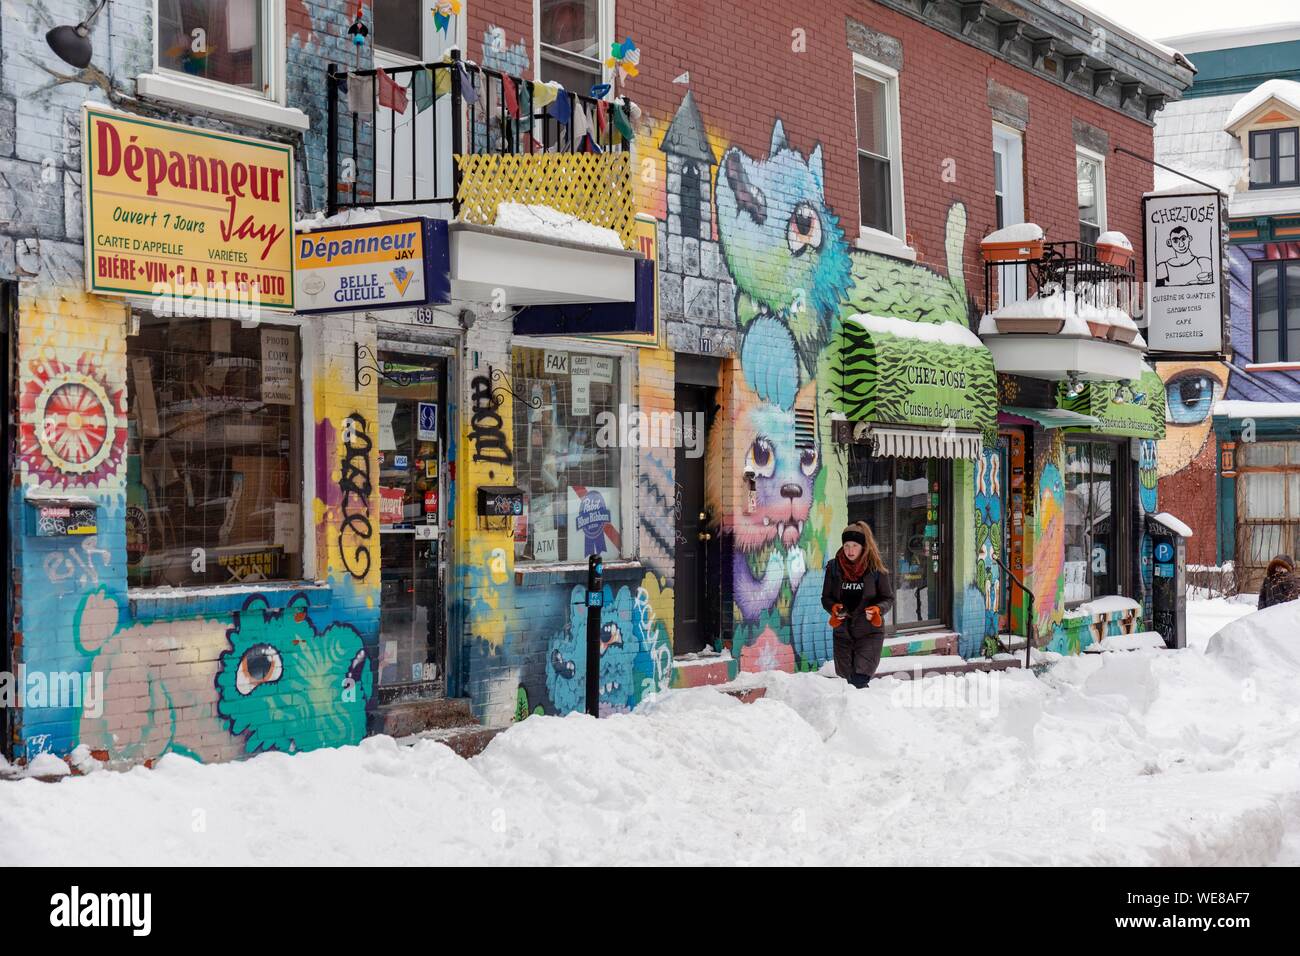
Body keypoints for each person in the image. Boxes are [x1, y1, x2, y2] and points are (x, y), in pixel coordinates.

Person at [821, 521, 894, 688]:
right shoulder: (834, 568)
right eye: (846, 546)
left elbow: (888, 598)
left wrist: (877, 610)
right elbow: (826, 597)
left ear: (863, 546)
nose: (850, 550)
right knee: (847, 681)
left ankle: (865, 713)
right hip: (842, 634)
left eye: (854, 545)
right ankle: (854, 713)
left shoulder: (875, 568)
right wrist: (833, 608)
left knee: (860, 679)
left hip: (869, 633)